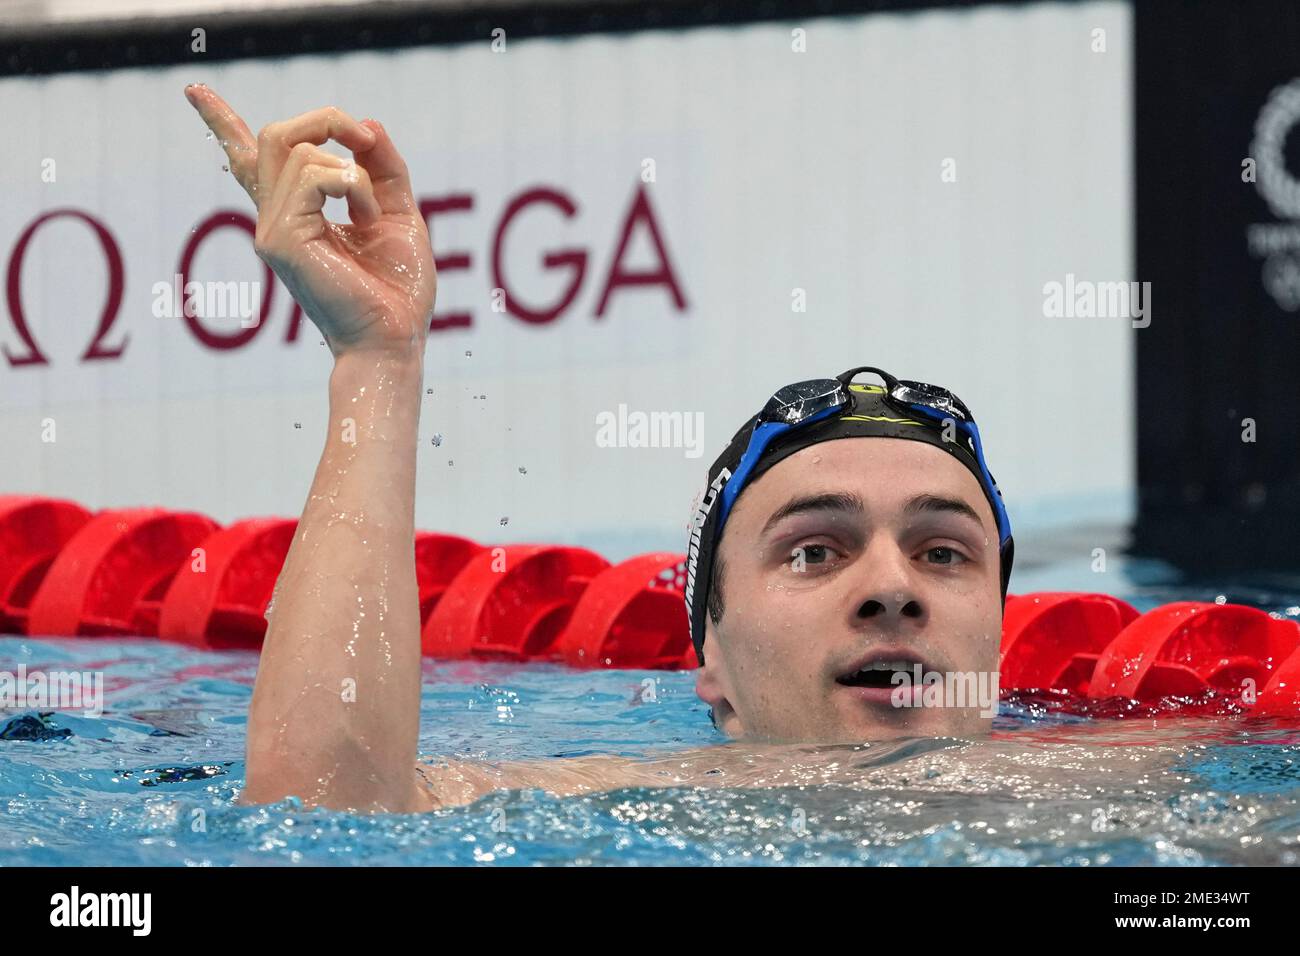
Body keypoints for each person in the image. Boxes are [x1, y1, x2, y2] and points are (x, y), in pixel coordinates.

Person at [185, 87, 1154, 815]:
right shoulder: (635, 801)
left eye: (944, 551)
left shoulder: (1141, 792)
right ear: (712, 668)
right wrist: (377, 361)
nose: (891, 587)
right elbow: (323, 815)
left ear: (999, 627)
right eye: (815, 549)